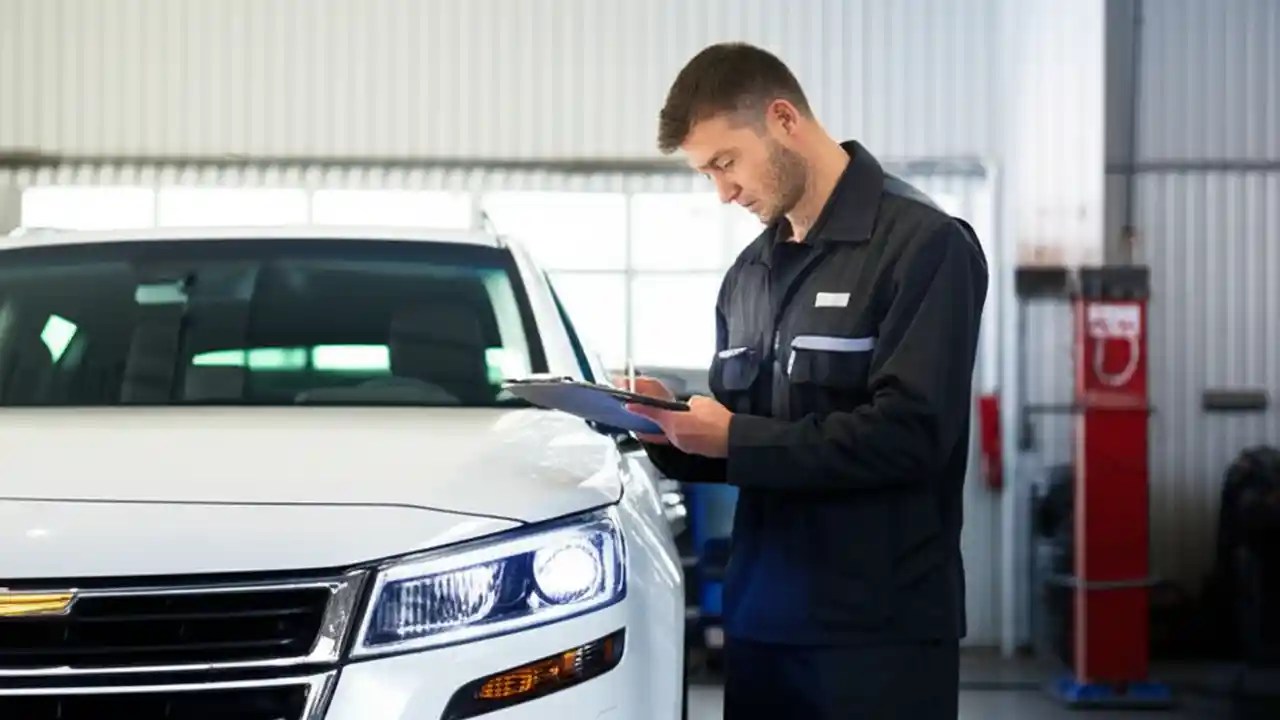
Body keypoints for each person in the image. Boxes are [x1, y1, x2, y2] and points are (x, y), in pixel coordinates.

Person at [624, 43, 989, 719]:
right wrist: (663, 427)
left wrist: (734, 437)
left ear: (784, 120)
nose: (723, 191)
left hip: (877, 634)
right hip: (764, 622)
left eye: (725, 163)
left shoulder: (924, 246)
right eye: (707, 174)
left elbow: (910, 436)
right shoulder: (748, 276)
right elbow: (742, 436)